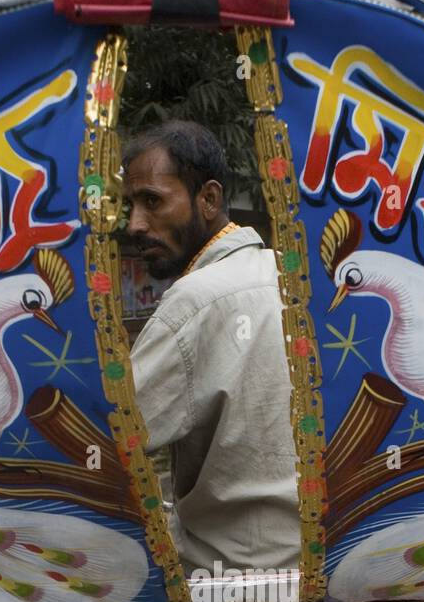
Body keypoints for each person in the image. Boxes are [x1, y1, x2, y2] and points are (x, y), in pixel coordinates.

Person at [122, 119, 301, 575]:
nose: (135, 225)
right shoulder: (290, 278)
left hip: (230, 592)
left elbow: (116, 439)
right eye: (130, 206)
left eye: (152, 202)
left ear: (209, 199)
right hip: (316, 572)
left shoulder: (194, 301)